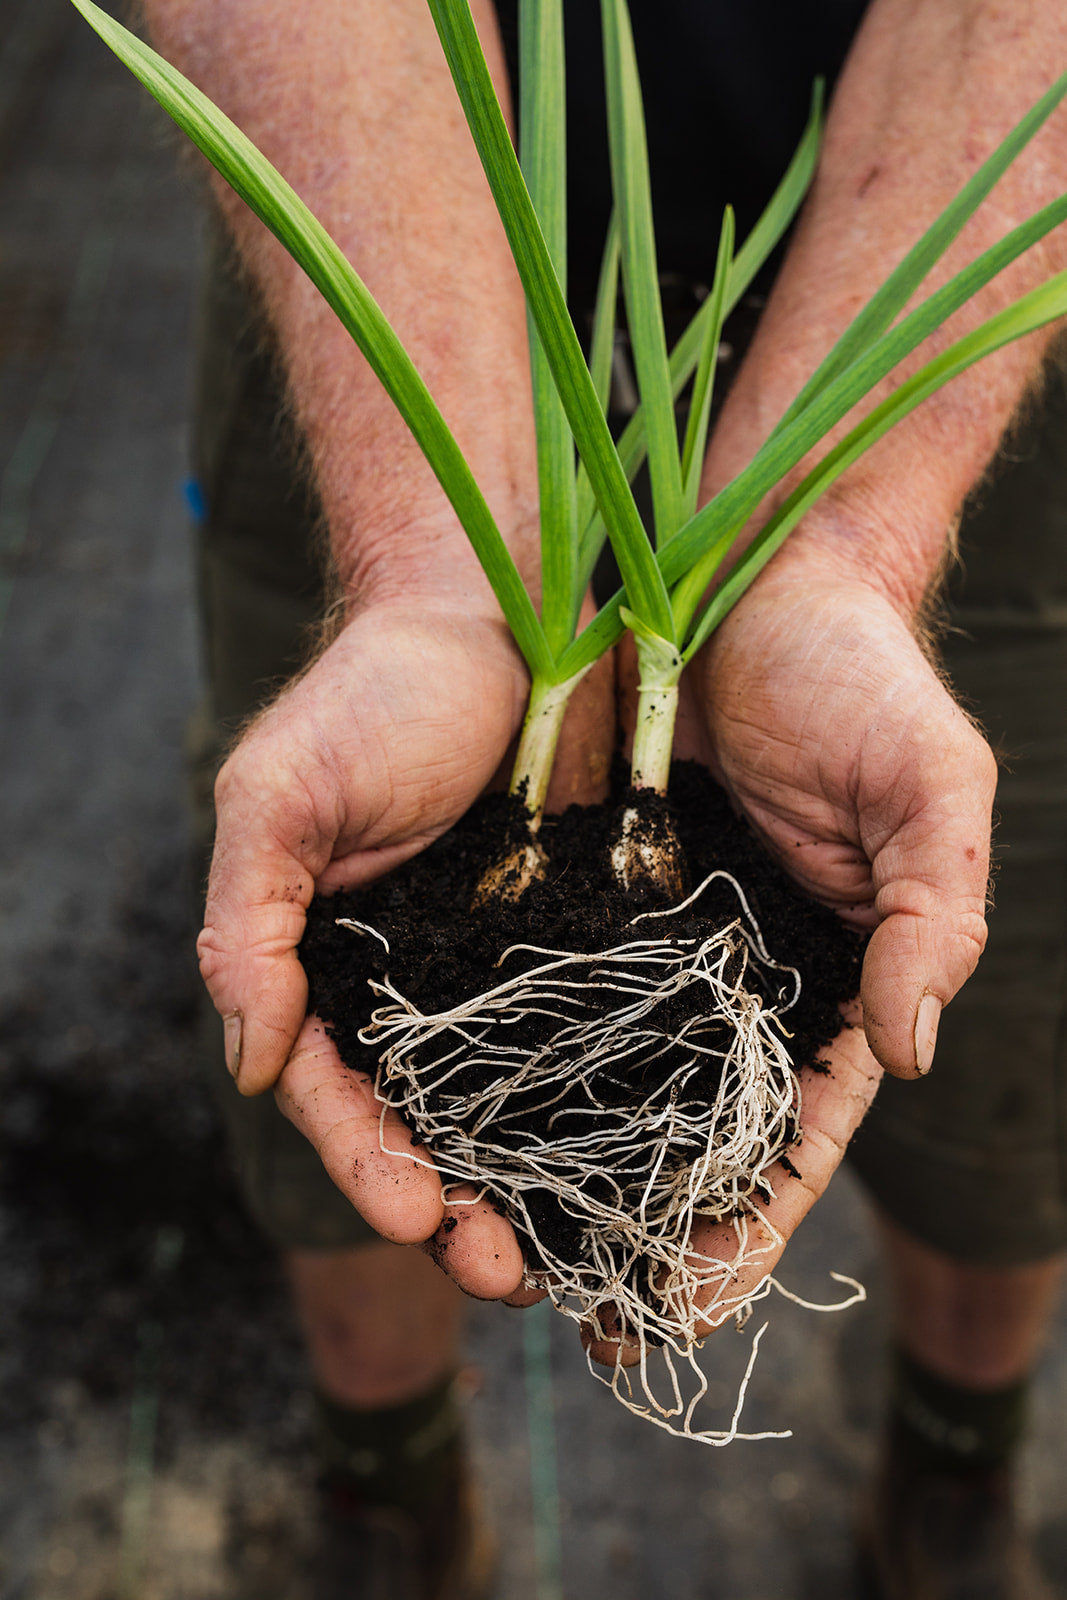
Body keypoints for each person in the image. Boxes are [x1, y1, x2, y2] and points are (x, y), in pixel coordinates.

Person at [143, 0, 1067, 1595]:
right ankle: (388, 1484)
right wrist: (435, 580)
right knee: (318, 1018)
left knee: (1008, 1046)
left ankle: (964, 1460)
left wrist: (840, 548)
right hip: (372, 252)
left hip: (942, 256)